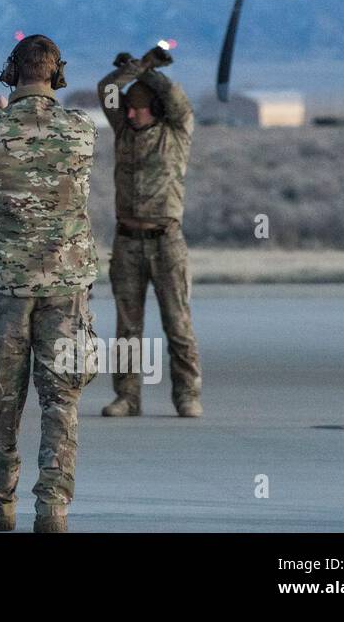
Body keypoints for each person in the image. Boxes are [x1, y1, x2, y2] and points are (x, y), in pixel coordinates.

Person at [0, 34, 100, 533]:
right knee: (62, 401)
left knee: (2, 397)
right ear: (57, 75)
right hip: (66, 288)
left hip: (4, 289)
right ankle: (53, 508)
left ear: (11, 73)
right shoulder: (80, 130)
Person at [95, 46, 202, 419]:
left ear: (154, 110)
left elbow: (175, 98)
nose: (130, 112)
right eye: (129, 107)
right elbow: (106, 90)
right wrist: (131, 70)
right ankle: (127, 396)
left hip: (166, 240)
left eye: (138, 107)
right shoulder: (123, 131)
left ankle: (187, 394)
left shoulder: (176, 132)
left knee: (178, 323)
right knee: (128, 327)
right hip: (128, 242)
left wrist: (148, 72)